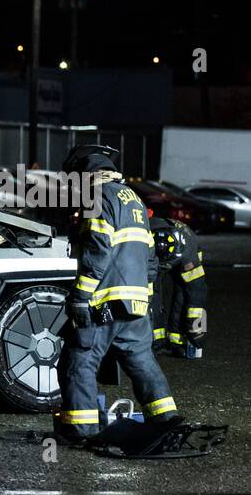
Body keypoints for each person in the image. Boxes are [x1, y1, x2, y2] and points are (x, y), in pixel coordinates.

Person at [55, 144, 179, 442]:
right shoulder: (134, 200)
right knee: (141, 360)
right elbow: (150, 258)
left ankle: (82, 429)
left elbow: (97, 251)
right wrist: (146, 300)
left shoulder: (98, 198)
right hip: (135, 303)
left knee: (80, 359)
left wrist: (80, 297)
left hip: (105, 300)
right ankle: (166, 418)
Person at [149, 212, 208, 356]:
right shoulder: (141, 239)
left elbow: (197, 292)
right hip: (150, 258)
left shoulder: (188, 253)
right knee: (151, 294)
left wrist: (197, 330)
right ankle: (155, 341)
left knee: (183, 293)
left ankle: (178, 341)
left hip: (183, 256)